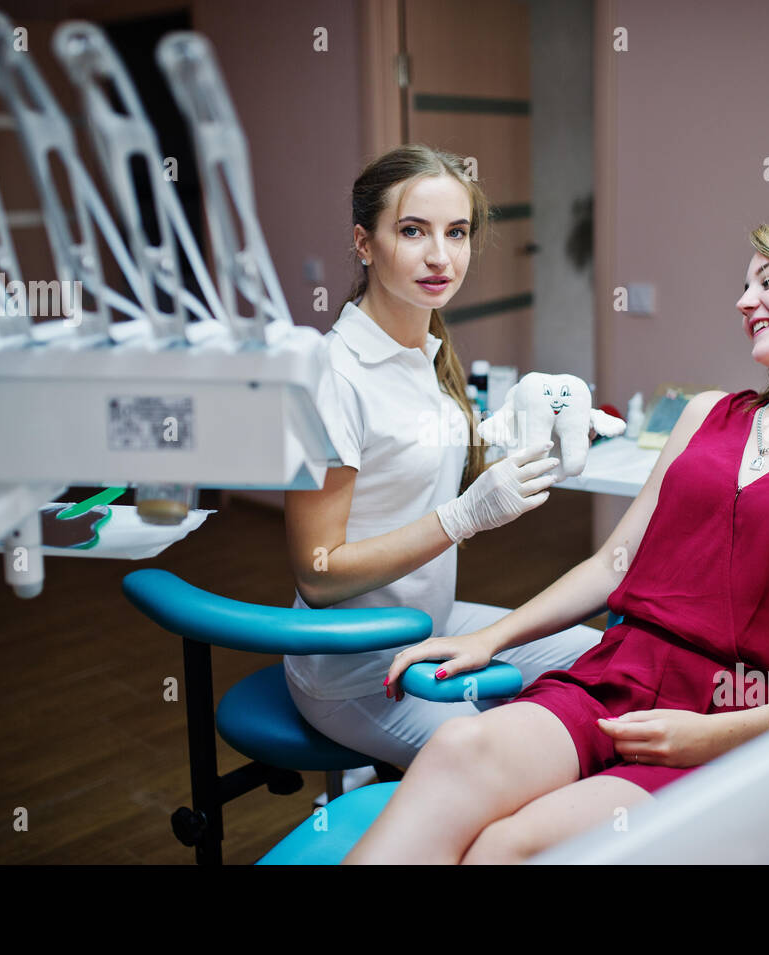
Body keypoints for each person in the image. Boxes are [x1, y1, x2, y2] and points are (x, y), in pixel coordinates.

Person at [345, 211, 769, 863]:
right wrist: (487, 637)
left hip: (746, 723)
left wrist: (710, 736)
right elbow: (614, 563)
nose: (744, 301)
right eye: (745, 285)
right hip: (621, 672)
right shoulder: (707, 414)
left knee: (508, 847)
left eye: (767, 280)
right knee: (457, 749)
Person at [281, 144, 602, 772]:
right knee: (497, 765)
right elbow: (317, 576)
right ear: (363, 243)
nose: (440, 256)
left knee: (605, 655)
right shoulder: (330, 376)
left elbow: (415, 476)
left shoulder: (426, 353)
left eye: (457, 233)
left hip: (432, 624)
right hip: (350, 663)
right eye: (412, 231)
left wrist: (529, 442)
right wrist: (463, 518)